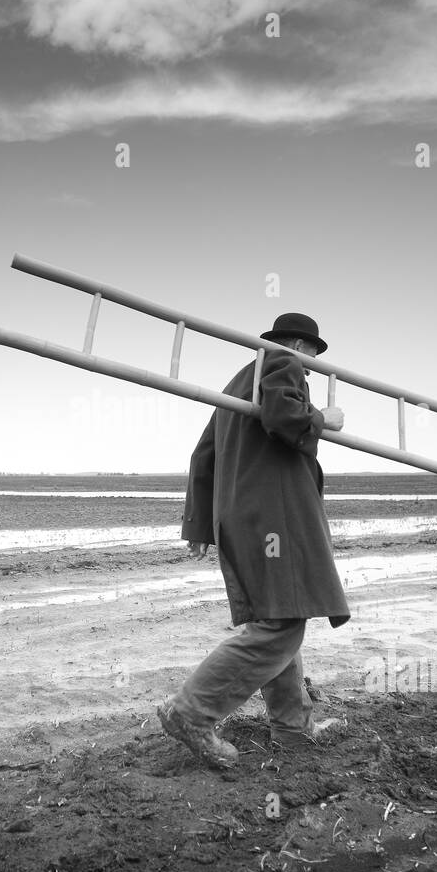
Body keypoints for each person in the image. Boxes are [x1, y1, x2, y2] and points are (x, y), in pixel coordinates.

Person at [157, 312, 350, 768]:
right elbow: (285, 418)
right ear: (302, 348)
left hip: (241, 519)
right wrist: (325, 418)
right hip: (273, 519)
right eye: (313, 358)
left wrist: (200, 525)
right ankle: (191, 712)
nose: (311, 369)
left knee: (281, 613)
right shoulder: (284, 365)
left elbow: (203, 454)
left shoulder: (237, 383)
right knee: (281, 625)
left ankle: (291, 728)